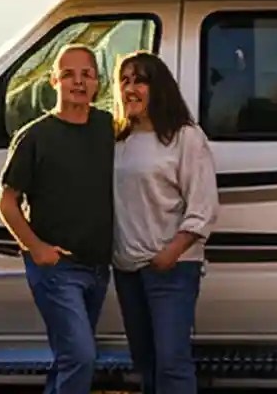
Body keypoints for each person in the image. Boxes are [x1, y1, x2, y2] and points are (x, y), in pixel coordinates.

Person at [0, 43, 116, 394]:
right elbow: (6, 201)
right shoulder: (34, 136)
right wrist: (36, 248)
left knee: (69, 359)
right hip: (57, 269)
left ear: (98, 83)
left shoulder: (109, 127)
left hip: (98, 267)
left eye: (87, 75)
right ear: (53, 81)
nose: (78, 82)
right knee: (80, 356)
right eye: (68, 75)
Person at [110, 50, 219, 394]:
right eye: (124, 80)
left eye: (139, 80)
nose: (130, 88)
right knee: (146, 362)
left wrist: (171, 253)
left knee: (172, 363)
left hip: (170, 268)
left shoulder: (185, 137)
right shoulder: (117, 141)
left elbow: (203, 204)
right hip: (127, 269)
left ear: (158, 88)